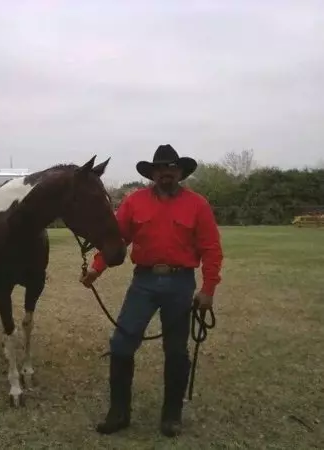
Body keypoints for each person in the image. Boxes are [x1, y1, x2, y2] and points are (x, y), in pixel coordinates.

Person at [79, 144, 223, 438]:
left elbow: (211, 249)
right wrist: (96, 268)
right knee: (121, 344)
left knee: (176, 351)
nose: (166, 173)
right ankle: (118, 413)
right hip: (143, 282)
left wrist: (208, 289)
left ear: (180, 172)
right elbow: (117, 240)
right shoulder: (134, 202)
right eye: (160, 169)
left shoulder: (198, 205)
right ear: (153, 173)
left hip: (181, 283)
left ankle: (171, 416)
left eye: (171, 168)